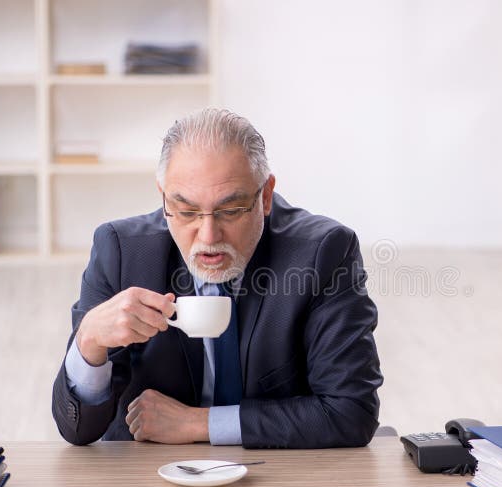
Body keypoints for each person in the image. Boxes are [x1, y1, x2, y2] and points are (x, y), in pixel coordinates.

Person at [52, 108, 383, 448]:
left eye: (230, 210)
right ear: (163, 195)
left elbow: (350, 412)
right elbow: (79, 431)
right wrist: (89, 341)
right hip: (148, 478)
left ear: (265, 196)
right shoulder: (121, 251)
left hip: (278, 477)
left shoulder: (323, 253)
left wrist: (200, 424)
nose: (208, 236)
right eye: (186, 211)